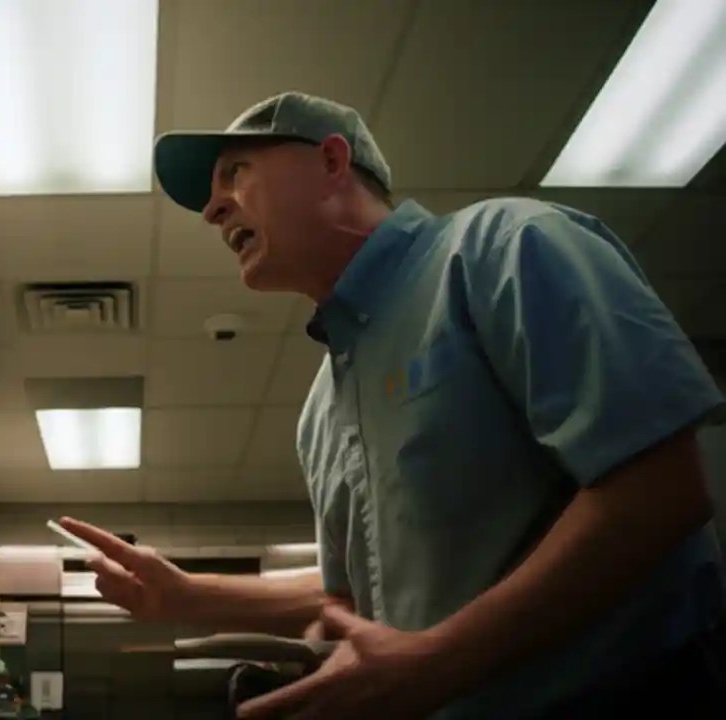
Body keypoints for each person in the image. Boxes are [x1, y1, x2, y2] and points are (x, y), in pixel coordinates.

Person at [60, 91, 726, 719]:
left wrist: (439, 662)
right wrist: (189, 596)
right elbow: (355, 594)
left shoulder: (504, 248)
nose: (213, 210)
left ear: (330, 160)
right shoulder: (322, 410)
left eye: (235, 173)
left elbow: (658, 488)